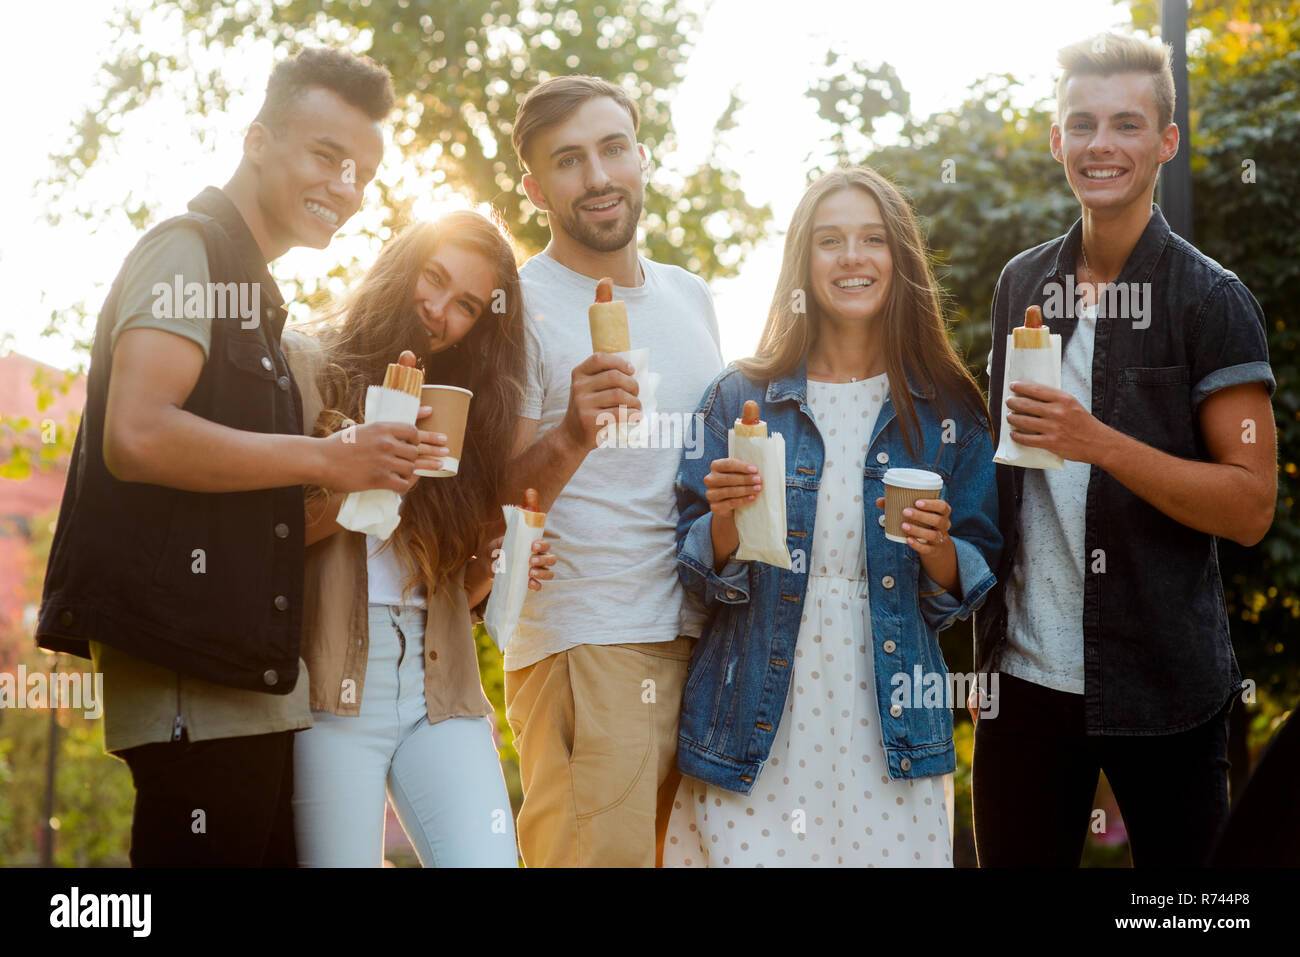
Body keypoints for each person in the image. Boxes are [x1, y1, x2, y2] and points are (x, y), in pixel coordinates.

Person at [33, 47, 417, 867]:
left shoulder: (259, 302)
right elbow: (137, 435)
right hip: (192, 691)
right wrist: (330, 458)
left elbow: (247, 501)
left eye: (363, 172)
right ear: (256, 142)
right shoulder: (190, 252)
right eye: (326, 156)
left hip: (251, 689)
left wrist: (372, 486)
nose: (346, 188)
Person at [972, 32, 1278, 867]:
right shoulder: (1020, 284)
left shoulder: (1212, 302)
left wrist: (1097, 441)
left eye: (1126, 124)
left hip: (1166, 687)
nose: (1100, 144)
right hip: (1023, 684)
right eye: (1081, 123)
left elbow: (1251, 506)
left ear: (1165, 142)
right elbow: (1001, 469)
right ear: (1055, 139)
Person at [665, 166, 1000, 867]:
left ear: (899, 260)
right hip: (757, 708)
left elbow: (968, 578)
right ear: (802, 261)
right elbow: (697, 569)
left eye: (872, 239)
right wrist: (727, 519)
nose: (852, 257)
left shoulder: (946, 409)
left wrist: (937, 547)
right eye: (830, 240)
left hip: (892, 715)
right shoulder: (737, 395)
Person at [499, 75, 724, 867]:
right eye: (567, 161)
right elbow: (487, 505)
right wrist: (571, 430)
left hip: (705, 640)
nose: (596, 176)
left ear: (642, 157)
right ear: (534, 187)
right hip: (588, 641)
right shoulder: (515, 307)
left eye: (612, 148)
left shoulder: (690, 296)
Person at [282, 212, 555, 866]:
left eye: (466, 305)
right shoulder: (309, 365)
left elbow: (463, 587)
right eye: (432, 279)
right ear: (402, 264)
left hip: (441, 678)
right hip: (332, 681)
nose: (439, 311)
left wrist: (502, 561)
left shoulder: (465, 406)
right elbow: (271, 536)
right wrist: (365, 476)